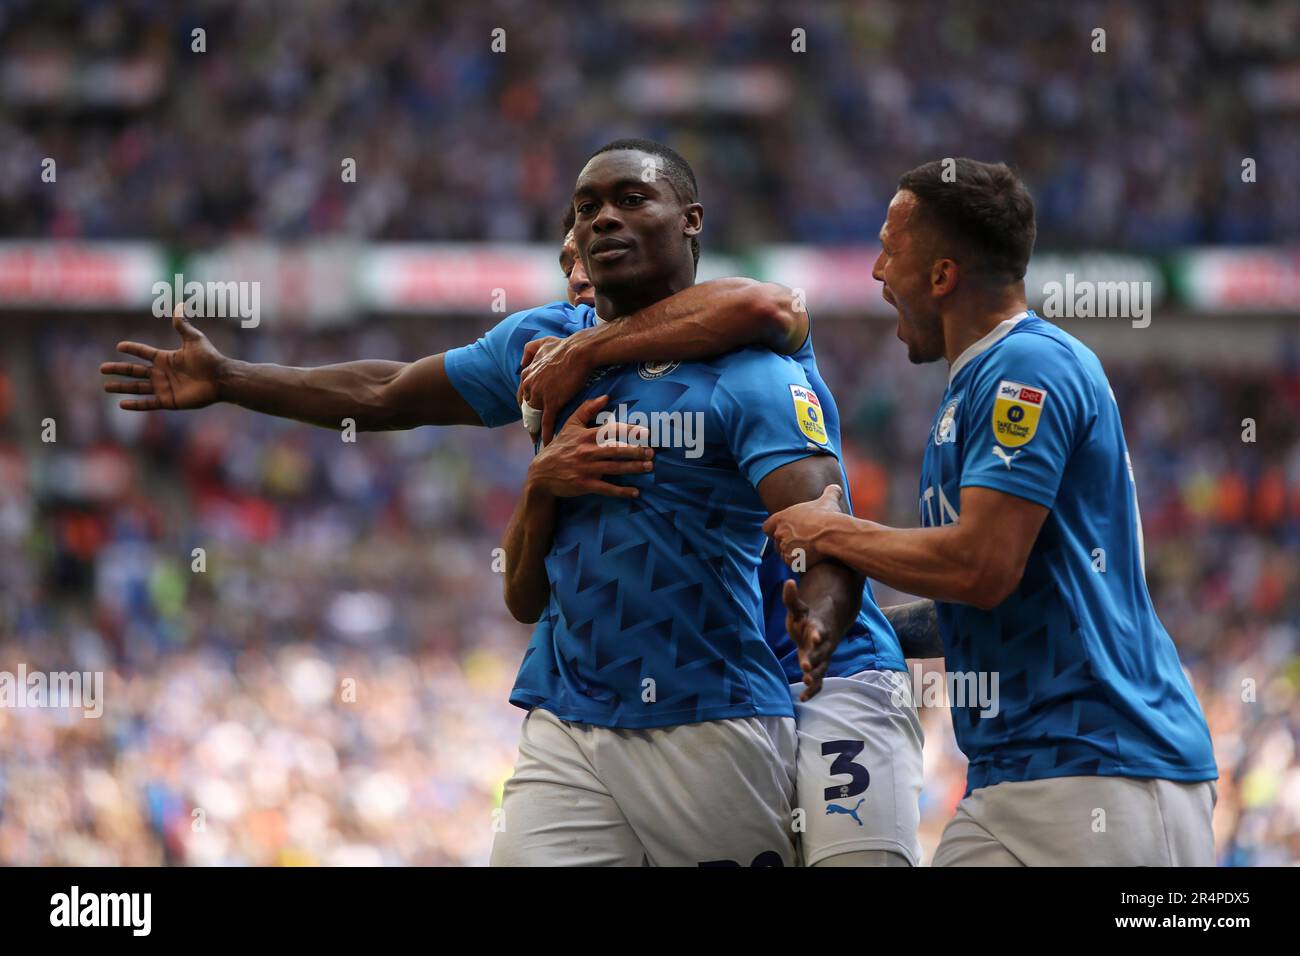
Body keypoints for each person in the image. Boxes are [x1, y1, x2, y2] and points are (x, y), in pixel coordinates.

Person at [764, 158, 1218, 866]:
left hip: (1104, 772)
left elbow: (983, 566)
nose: (878, 271)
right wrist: (859, 628)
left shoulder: (1025, 370)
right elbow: (985, 602)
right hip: (1015, 777)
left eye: (890, 249)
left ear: (943, 276)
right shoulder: (971, 387)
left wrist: (832, 531)